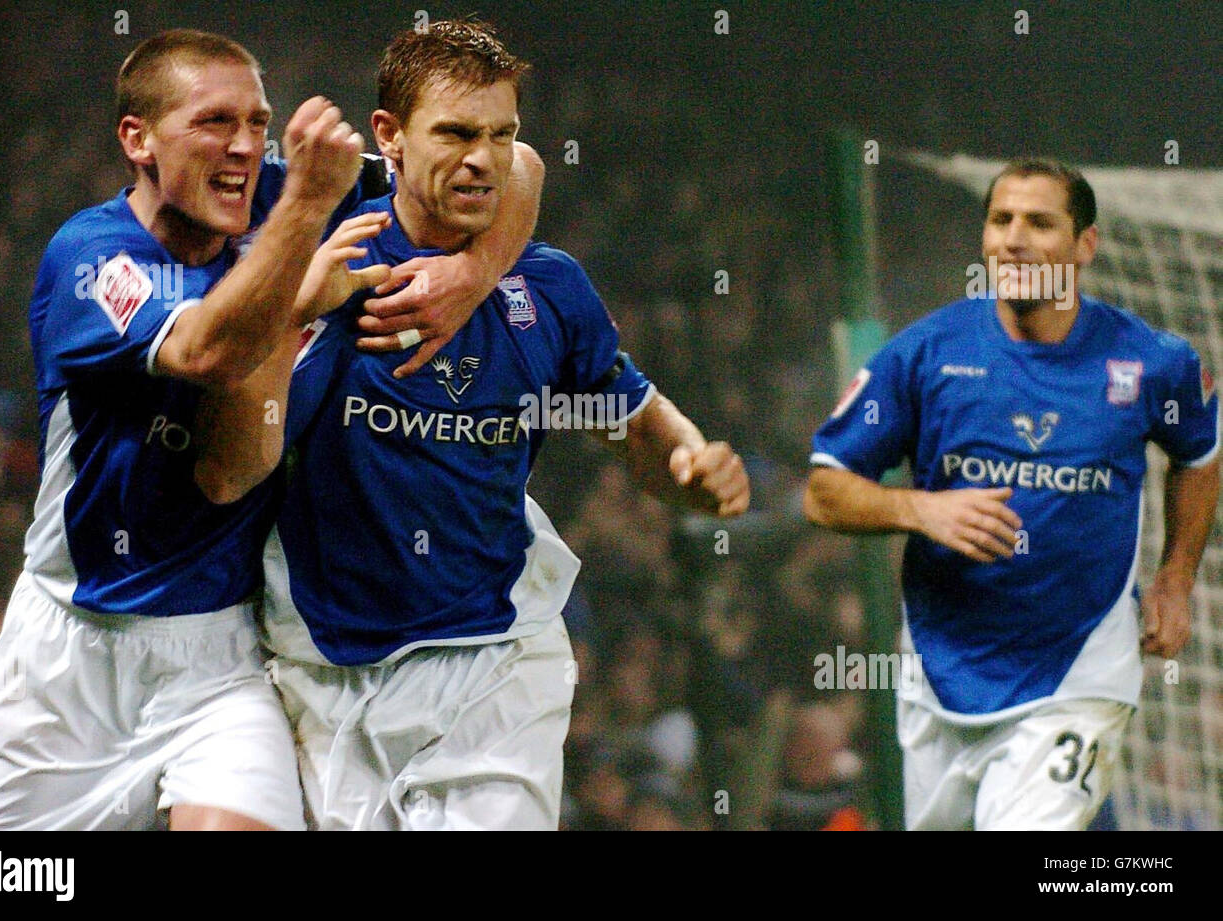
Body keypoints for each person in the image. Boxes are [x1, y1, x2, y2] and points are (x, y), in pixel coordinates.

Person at [0, 28, 540, 831]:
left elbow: (521, 165)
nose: (244, 147)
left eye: (259, 125)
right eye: (215, 123)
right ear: (139, 139)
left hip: (219, 660)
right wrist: (302, 224)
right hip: (68, 657)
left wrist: (473, 276)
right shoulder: (92, 256)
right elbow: (208, 348)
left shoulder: (265, 189)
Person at [195, 20, 751, 830]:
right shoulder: (313, 256)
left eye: (501, 133)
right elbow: (228, 470)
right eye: (455, 133)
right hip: (321, 665)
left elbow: (632, 417)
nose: (483, 157)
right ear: (387, 136)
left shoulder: (549, 287)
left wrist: (690, 465)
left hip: (492, 660)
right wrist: (290, 312)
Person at [805, 158, 1220, 830]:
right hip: (940, 675)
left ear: (1085, 245)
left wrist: (1175, 577)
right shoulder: (926, 354)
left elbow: (1199, 455)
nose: (1015, 238)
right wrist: (921, 507)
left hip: (1078, 677)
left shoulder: (1151, 361)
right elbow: (823, 490)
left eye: (1039, 221)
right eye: (1001, 220)